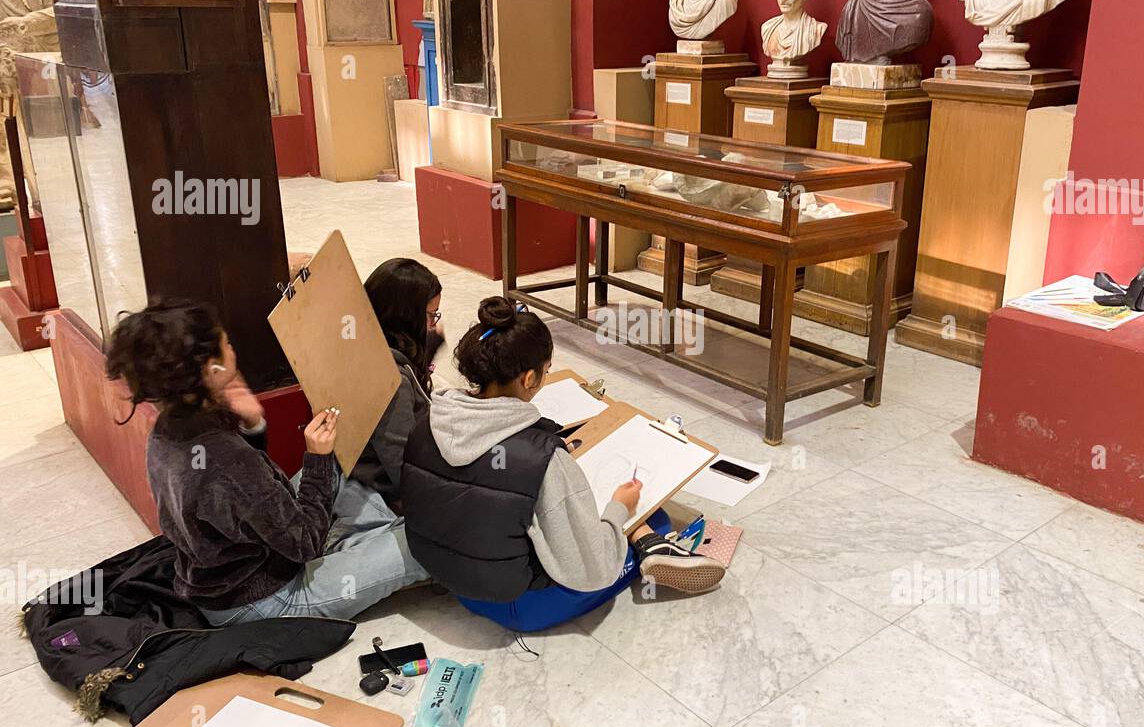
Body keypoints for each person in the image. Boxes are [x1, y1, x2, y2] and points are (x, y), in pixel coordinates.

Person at [401, 297, 725, 632]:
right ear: (529, 378)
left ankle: (647, 540)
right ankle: (653, 541)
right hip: (519, 606)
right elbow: (591, 567)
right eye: (546, 371)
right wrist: (617, 509)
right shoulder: (542, 460)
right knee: (652, 516)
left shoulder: (430, 420)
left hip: (453, 585)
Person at [106, 300, 429, 625]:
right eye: (226, 343)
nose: (232, 348)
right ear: (210, 368)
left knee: (344, 473)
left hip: (227, 576)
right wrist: (317, 459)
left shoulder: (167, 429)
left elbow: (235, 497)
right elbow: (303, 543)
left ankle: (360, 540)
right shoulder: (225, 458)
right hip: (266, 601)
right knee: (423, 539)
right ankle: (370, 541)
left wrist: (252, 426)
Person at [354, 258, 443, 512]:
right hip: (387, 497)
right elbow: (403, 467)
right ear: (406, 315)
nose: (433, 324)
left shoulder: (360, 345)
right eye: (430, 315)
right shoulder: (391, 382)